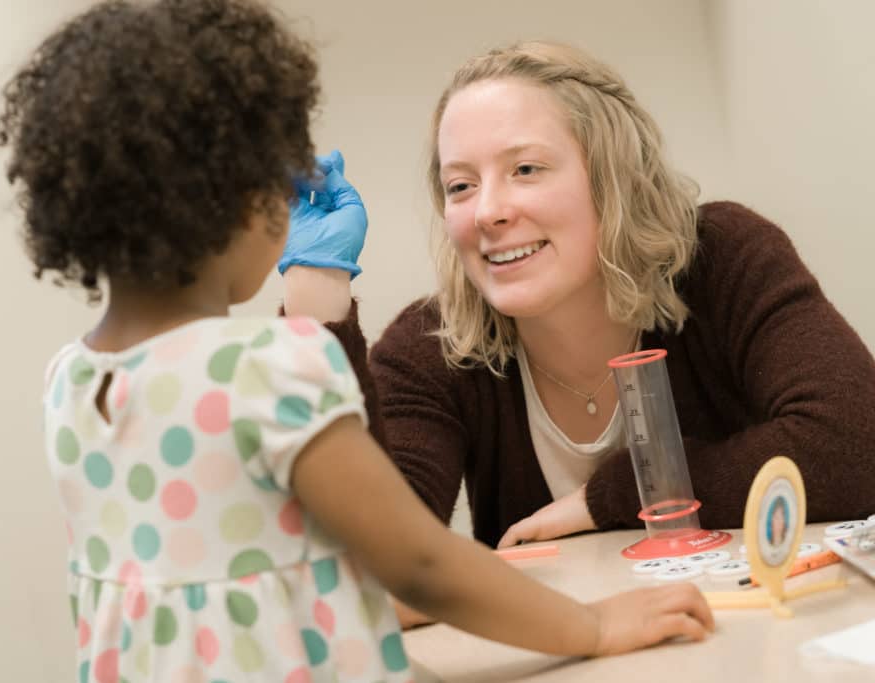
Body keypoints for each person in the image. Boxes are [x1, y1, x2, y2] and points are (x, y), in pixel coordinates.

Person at [0, 5, 713, 681]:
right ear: (243, 200)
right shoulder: (270, 372)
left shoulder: (72, 382)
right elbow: (417, 562)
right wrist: (590, 625)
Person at [280, 41, 875, 554]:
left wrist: (612, 497)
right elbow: (367, 551)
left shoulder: (723, 258)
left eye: (527, 169)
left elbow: (855, 445)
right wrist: (316, 296)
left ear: (612, 177)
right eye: (460, 185)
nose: (488, 211)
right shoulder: (433, 347)